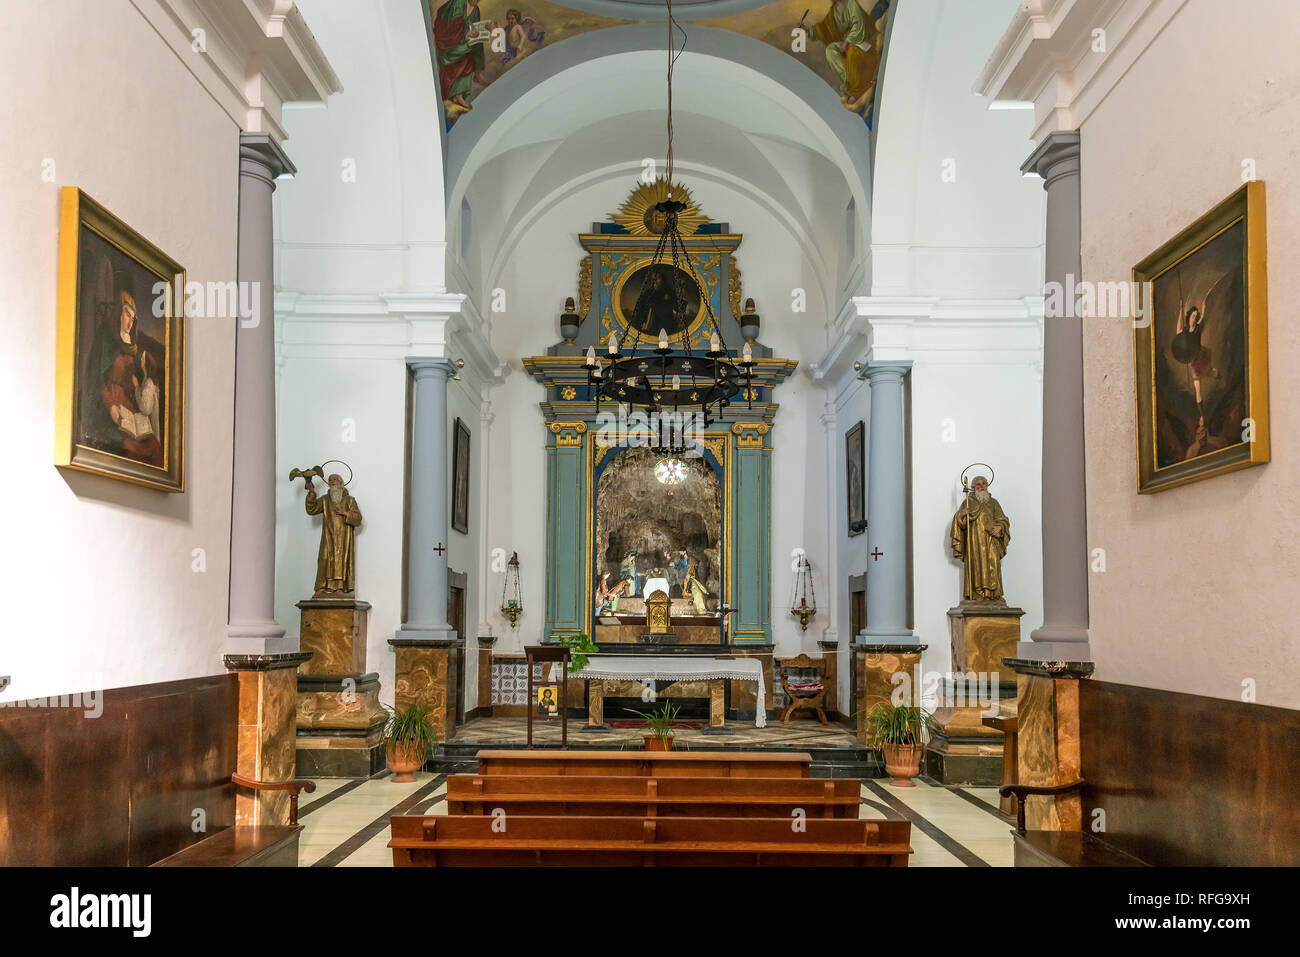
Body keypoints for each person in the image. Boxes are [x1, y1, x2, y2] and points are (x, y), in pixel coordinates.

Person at [950, 475, 1010, 603]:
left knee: (993, 564)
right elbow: (959, 523)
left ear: (987, 486)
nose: (981, 486)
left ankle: (995, 593)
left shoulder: (993, 502)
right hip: (975, 541)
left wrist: (999, 527)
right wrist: (961, 514)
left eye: (983, 484)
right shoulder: (968, 502)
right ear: (973, 488)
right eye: (978, 484)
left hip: (991, 540)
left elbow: (1003, 519)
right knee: (976, 565)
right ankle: (978, 593)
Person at [305, 474, 364, 596]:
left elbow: (358, 519)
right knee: (324, 558)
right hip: (328, 535)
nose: (332, 482)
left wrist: (345, 512)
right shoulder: (325, 499)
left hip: (343, 537)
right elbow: (312, 509)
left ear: (341, 482)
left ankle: (339, 588)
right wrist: (311, 493)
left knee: (340, 560)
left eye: (335, 479)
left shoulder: (350, 500)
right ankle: (320, 586)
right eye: (330, 480)